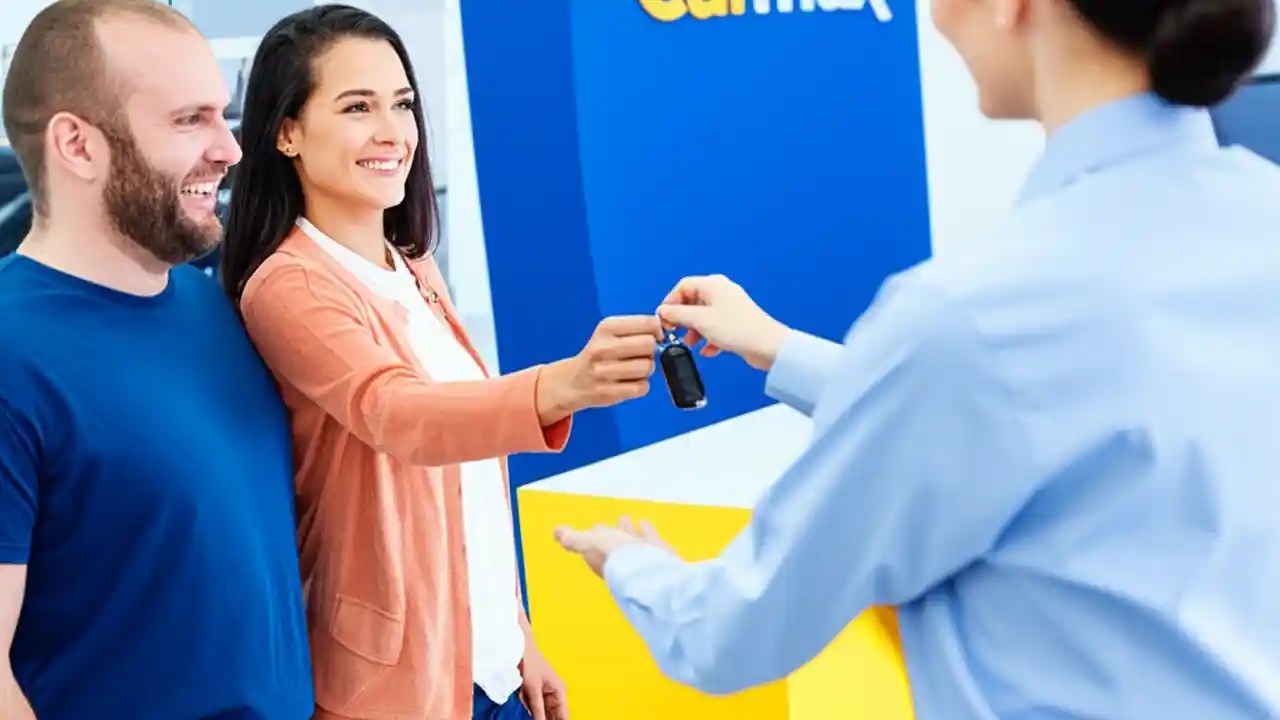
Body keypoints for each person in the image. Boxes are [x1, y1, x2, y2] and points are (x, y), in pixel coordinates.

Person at [555, 0, 1280, 717]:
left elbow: (728, 633)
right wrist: (779, 348)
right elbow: (1043, 417)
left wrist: (633, 566)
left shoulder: (976, 312)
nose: (935, 17)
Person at [219, 6, 662, 719]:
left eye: (402, 104)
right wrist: (564, 385)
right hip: (396, 687)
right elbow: (400, 416)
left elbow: (466, 483)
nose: (392, 131)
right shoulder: (288, 285)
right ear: (286, 132)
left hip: (488, 669)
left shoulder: (413, 264)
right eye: (357, 107)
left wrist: (515, 633)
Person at [0, 1, 314, 719]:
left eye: (221, 115)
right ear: (77, 145)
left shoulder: (214, 308)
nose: (230, 149)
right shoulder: (11, 354)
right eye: (189, 120)